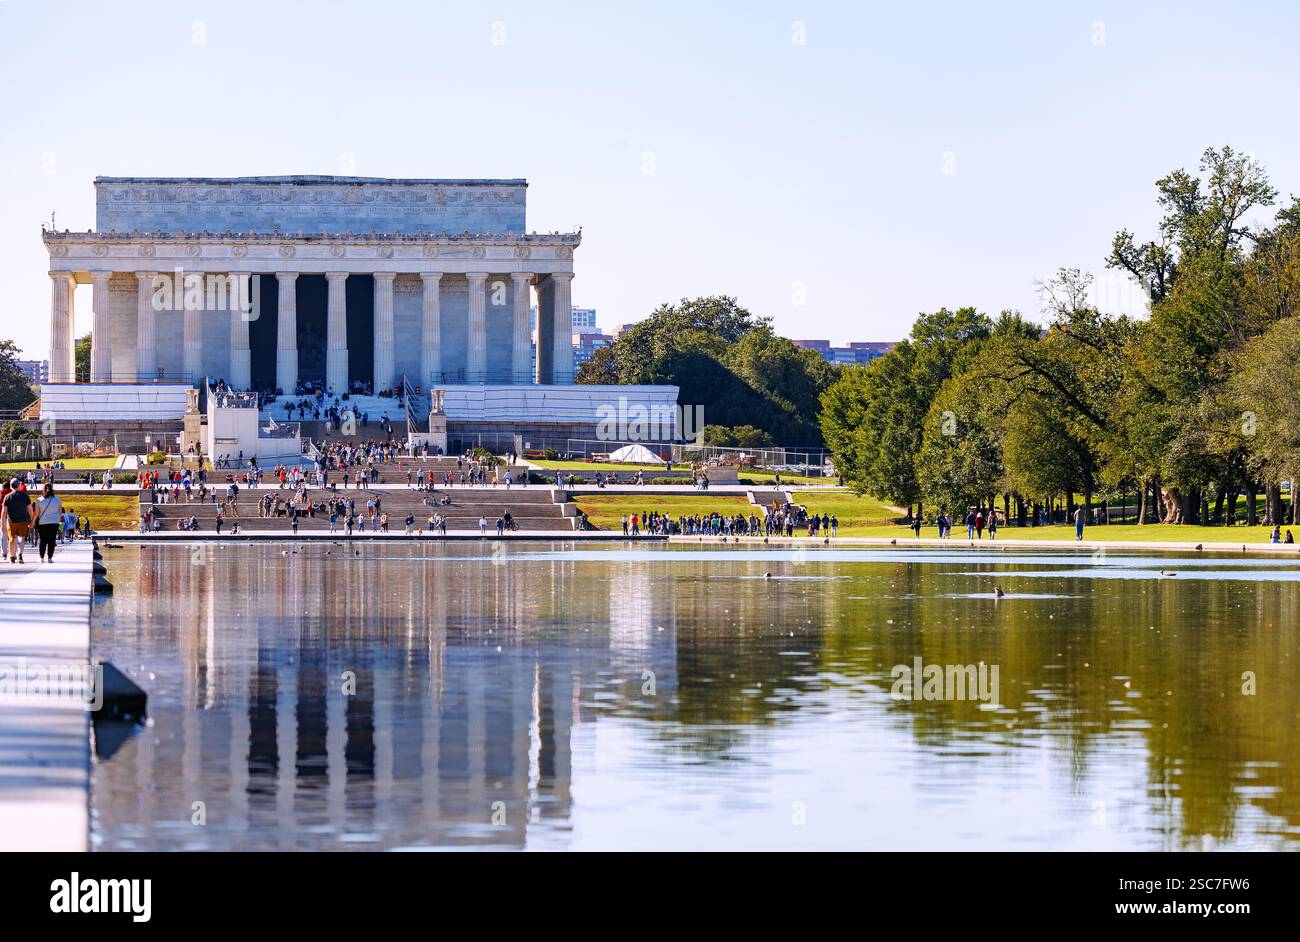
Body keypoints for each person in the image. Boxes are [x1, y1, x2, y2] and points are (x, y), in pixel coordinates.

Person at [2, 479, 33, 564]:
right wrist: (32, 521)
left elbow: (4, 512)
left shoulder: (7, 496)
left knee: (12, 539)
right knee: (21, 538)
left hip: (12, 521)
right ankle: (20, 554)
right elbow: (30, 510)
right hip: (23, 520)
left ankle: (12, 556)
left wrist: (2, 524)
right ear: (19, 485)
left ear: (11, 486)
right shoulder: (25, 496)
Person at [34, 483, 63, 563]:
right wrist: (58, 521)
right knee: (52, 540)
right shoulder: (57, 499)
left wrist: (33, 522)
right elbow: (59, 512)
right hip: (54, 522)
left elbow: (36, 514)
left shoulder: (39, 500)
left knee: (42, 540)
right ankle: (50, 558)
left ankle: (41, 557)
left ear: (43, 490)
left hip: (43, 522)